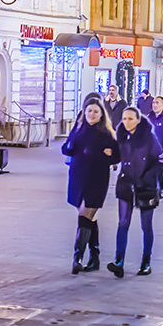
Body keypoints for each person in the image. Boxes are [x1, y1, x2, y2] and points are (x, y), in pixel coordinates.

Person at [62, 96, 118, 274]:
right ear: (84, 113)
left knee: (85, 214)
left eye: (95, 111)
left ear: (101, 114)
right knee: (89, 218)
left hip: (97, 178)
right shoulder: (78, 129)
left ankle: (77, 258)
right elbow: (66, 148)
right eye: (89, 111)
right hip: (78, 177)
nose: (92, 114)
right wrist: (69, 145)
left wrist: (107, 155)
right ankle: (94, 257)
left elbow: (117, 156)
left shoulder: (106, 134)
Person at [107, 107, 163, 278]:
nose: (126, 122)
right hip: (125, 184)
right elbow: (118, 156)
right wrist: (109, 154)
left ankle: (146, 262)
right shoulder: (122, 136)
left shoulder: (149, 138)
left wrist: (148, 179)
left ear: (138, 120)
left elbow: (160, 161)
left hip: (146, 187)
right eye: (124, 119)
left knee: (146, 225)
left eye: (130, 118)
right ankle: (119, 261)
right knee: (123, 223)